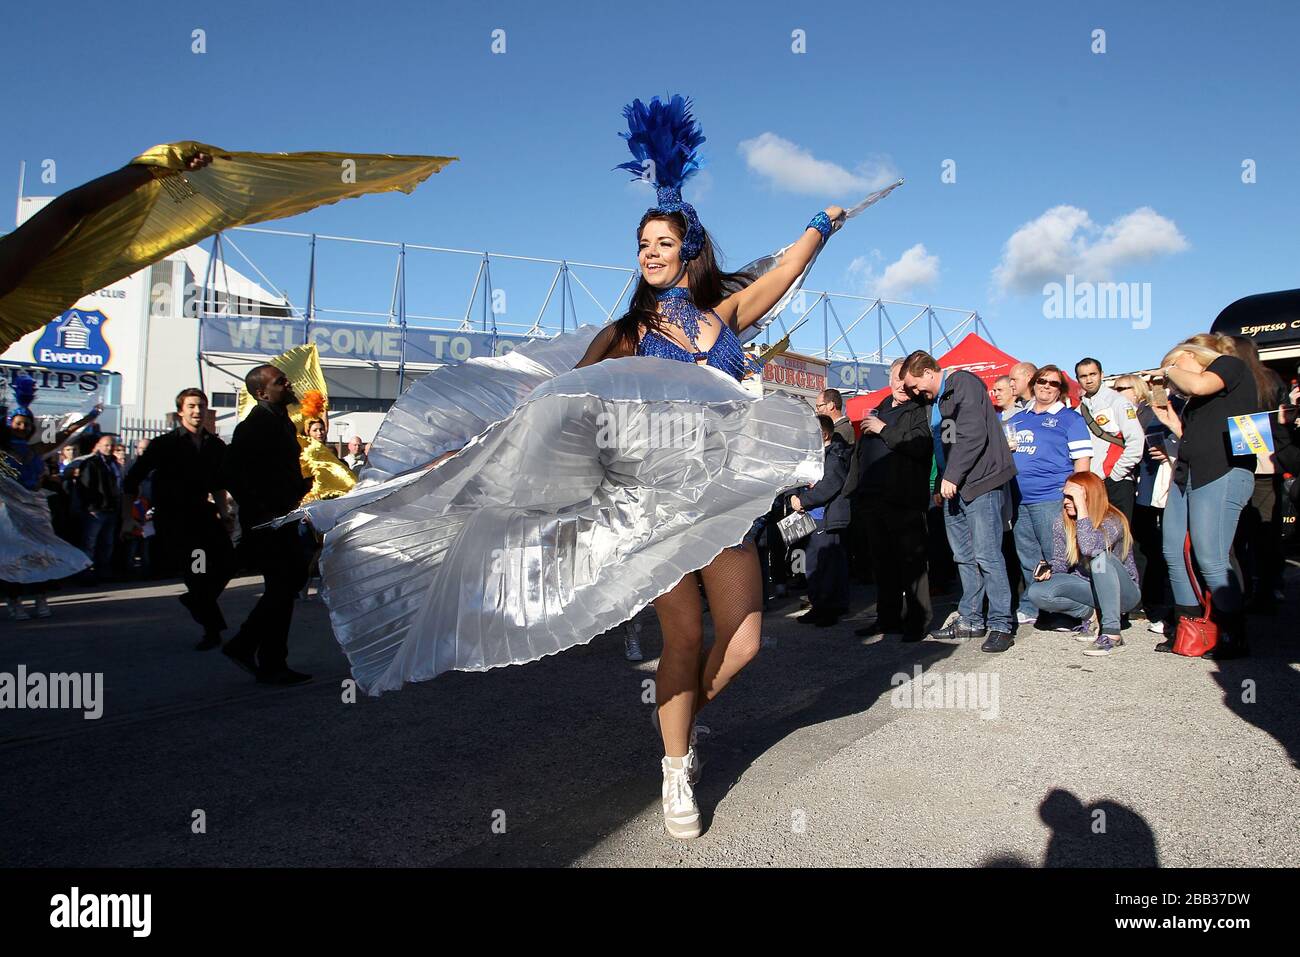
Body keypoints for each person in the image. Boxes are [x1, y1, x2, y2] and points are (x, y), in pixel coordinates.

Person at [295, 95, 846, 842]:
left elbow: (782, 274)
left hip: (718, 499)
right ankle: (676, 765)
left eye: (660, 241)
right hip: (651, 505)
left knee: (744, 640)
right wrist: (479, 452)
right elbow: (554, 403)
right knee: (683, 638)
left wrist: (820, 225)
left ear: (690, 250)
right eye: (641, 243)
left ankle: (676, 715)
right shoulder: (625, 333)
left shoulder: (725, 318)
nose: (648, 252)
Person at [902, 350, 1018, 652]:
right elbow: (945, 445)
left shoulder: (963, 383)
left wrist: (950, 477)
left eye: (916, 385)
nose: (916, 392)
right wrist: (943, 482)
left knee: (987, 556)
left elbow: (972, 435)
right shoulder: (937, 400)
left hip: (979, 484)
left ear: (929, 372)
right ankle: (970, 619)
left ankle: (1001, 624)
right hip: (954, 487)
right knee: (964, 556)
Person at [1152, 334, 1259, 658]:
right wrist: (1173, 422)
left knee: (1211, 555)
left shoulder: (1229, 366)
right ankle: (1191, 628)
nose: (1171, 371)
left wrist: (1167, 370)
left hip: (1222, 472)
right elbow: (1198, 433)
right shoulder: (1195, 401)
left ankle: (1232, 635)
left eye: (1175, 361)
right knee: (1172, 550)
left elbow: (1198, 385)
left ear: (1194, 355)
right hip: (1189, 476)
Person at [221, 365, 313, 684]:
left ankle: (269, 658)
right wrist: (261, 511)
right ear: (262, 393)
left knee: (287, 583)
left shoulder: (282, 422)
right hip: (267, 521)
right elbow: (233, 473)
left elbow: (271, 470)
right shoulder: (255, 425)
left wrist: (297, 487)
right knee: (286, 582)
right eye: (279, 382)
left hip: (281, 515)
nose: (287, 384)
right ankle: (249, 647)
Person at [125, 388, 236, 651]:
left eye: (201, 406)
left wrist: (223, 512)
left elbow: (218, 483)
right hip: (176, 519)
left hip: (203, 514)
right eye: (192, 406)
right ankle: (211, 629)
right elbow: (132, 480)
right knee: (198, 570)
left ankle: (196, 600)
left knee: (228, 563)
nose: (197, 411)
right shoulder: (164, 445)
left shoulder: (215, 445)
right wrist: (126, 519)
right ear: (180, 412)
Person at [846, 357, 933, 640]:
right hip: (874, 501)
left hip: (905, 500)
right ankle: (887, 619)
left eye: (906, 380)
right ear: (890, 379)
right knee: (882, 565)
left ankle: (917, 621)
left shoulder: (919, 409)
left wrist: (884, 429)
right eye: (897, 378)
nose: (901, 385)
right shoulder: (879, 407)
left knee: (911, 564)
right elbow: (861, 455)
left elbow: (921, 446)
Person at [1, 375, 96, 618]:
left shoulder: (36, 449)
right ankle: (14, 601)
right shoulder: (2, 454)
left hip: (37, 509)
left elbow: (65, 434)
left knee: (44, 552)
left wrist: (89, 418)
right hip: (11, 510)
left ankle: (41, 599)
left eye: (26, 424)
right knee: (15, 555)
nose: (22, 428)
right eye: (18, 423)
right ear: (10, 424)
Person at [1006, 364, 1092, 626]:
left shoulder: (1071, 419)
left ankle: (1069, 609)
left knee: (1059, 557)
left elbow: (1082, 461)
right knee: (1028, 556)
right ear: (1033, 384)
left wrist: (1074, 497)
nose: (1046, 386)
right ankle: (1033, 605)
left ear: (1061, 389)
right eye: (1042, 381)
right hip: (1020, 498)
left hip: (1052, 497)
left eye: (1053, 383)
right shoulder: (1016, 419)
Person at [1024, 472, 1140, 657]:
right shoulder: (1062, 523)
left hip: (1123, 594)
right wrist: (1048, 570)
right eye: (1065, 496)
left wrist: (1082, 512)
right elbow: (1061, 565)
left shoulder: (1113, 521)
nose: (1066, 502)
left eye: (1073, 497)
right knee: (1038, 592)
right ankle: (1090, 615)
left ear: (1089, 497)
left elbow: (1089, 548)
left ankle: (1112, 633)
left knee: (1100, 558)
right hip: (1089, 588)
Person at [1228, 336, 1288, 613]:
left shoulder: (1235, 381)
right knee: (1266, 530)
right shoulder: (1271, 379)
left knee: (1240, 532)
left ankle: (1244, 588)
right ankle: (1270, 586)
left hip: (1241, 462)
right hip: (1268, 463)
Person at [1113, 374, 1175, 629]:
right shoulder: (1122, 415)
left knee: (1153, 547)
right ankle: (1137, 601)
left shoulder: (1149, 413)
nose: (1116, 392)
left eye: (1122, 388)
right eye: (1114, 388)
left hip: (1154, 486)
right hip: (1136, 488)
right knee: (1136, 546)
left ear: (1137, 391)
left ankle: (1155, 601)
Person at [789, 415, 852, 626]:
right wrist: (794, 496)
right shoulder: (814, 455)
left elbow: (829, 485)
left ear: (824, 434)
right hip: (812, 516)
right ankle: (820, 605)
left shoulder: (835, 455)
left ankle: (829, 608)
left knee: (826, 564)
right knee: (815, 562)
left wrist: (803, 500)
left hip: (826, 517)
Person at [1076, 357, 1144, 522]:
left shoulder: (1118, 402)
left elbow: (1136, 440)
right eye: (1083, 376)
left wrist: (1116, 474)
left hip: (1117, 481)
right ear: (1078, 379)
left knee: (1121, 539)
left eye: (1093, 374)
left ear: (1102, 375)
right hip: (1093, 484)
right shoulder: (1079, 409)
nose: (1089, 379)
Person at [77, 432, 123, 581]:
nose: (109, 448)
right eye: (106, 445)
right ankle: (86, 573)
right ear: (98, 446)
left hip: (112, 509)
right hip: (96, 510)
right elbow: (85, 486)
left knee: (107, 543)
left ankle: (103, 571)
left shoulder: (114, 463)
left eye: (111, 445)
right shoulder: (91, 463)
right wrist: (91, 507)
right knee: (90, 543)